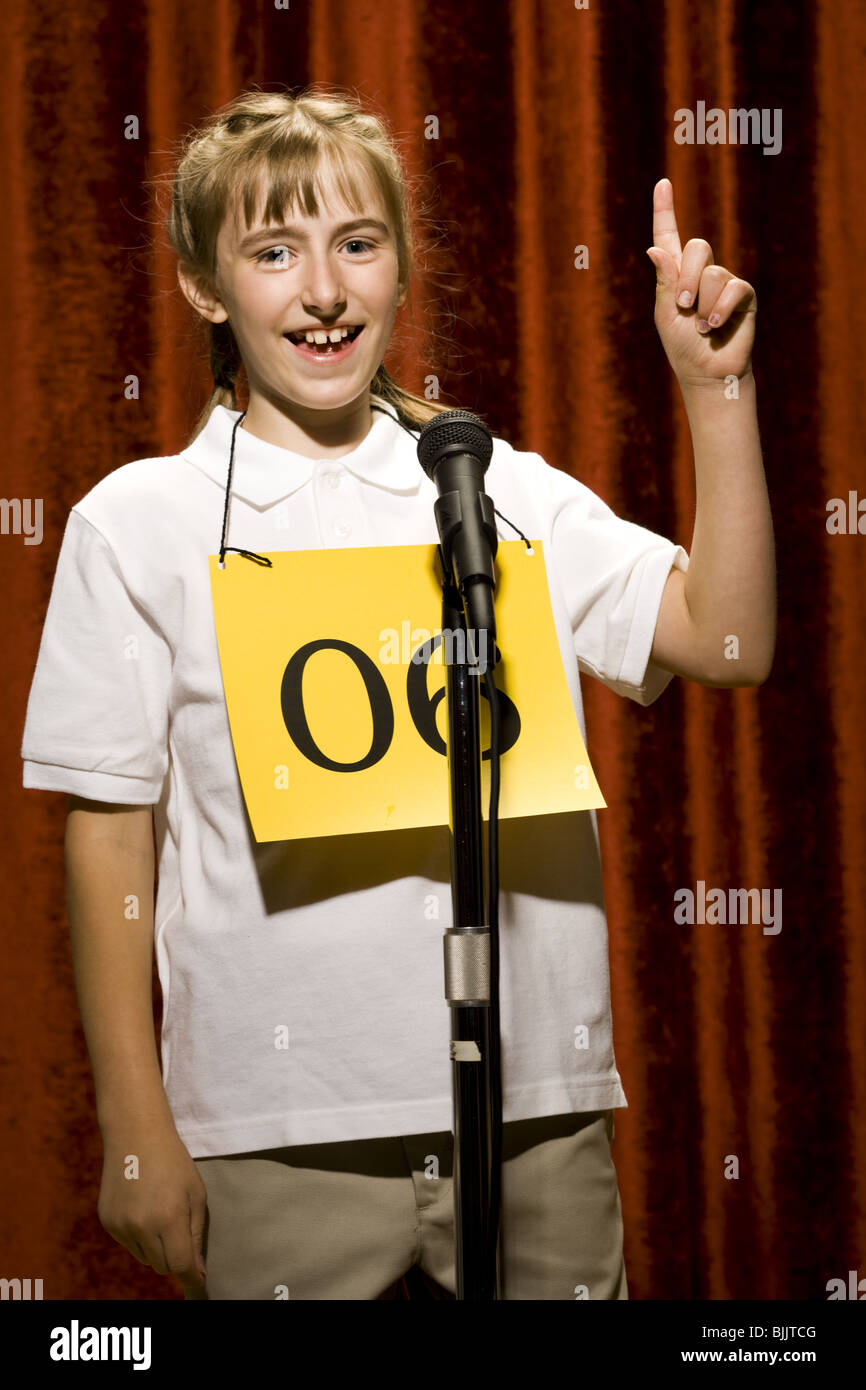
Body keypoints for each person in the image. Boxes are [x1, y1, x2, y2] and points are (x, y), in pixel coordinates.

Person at [20, 85, 774, 1301]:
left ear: (400, 269)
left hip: (533, 1117)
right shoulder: (137, 524)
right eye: (273, 251)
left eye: (356, 244)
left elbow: (728, 642)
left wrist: (713, 393)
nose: (323, 290)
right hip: (273, 1133)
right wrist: (133, 1117)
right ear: (206, 288)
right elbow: (109, 833)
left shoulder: (494, 482)